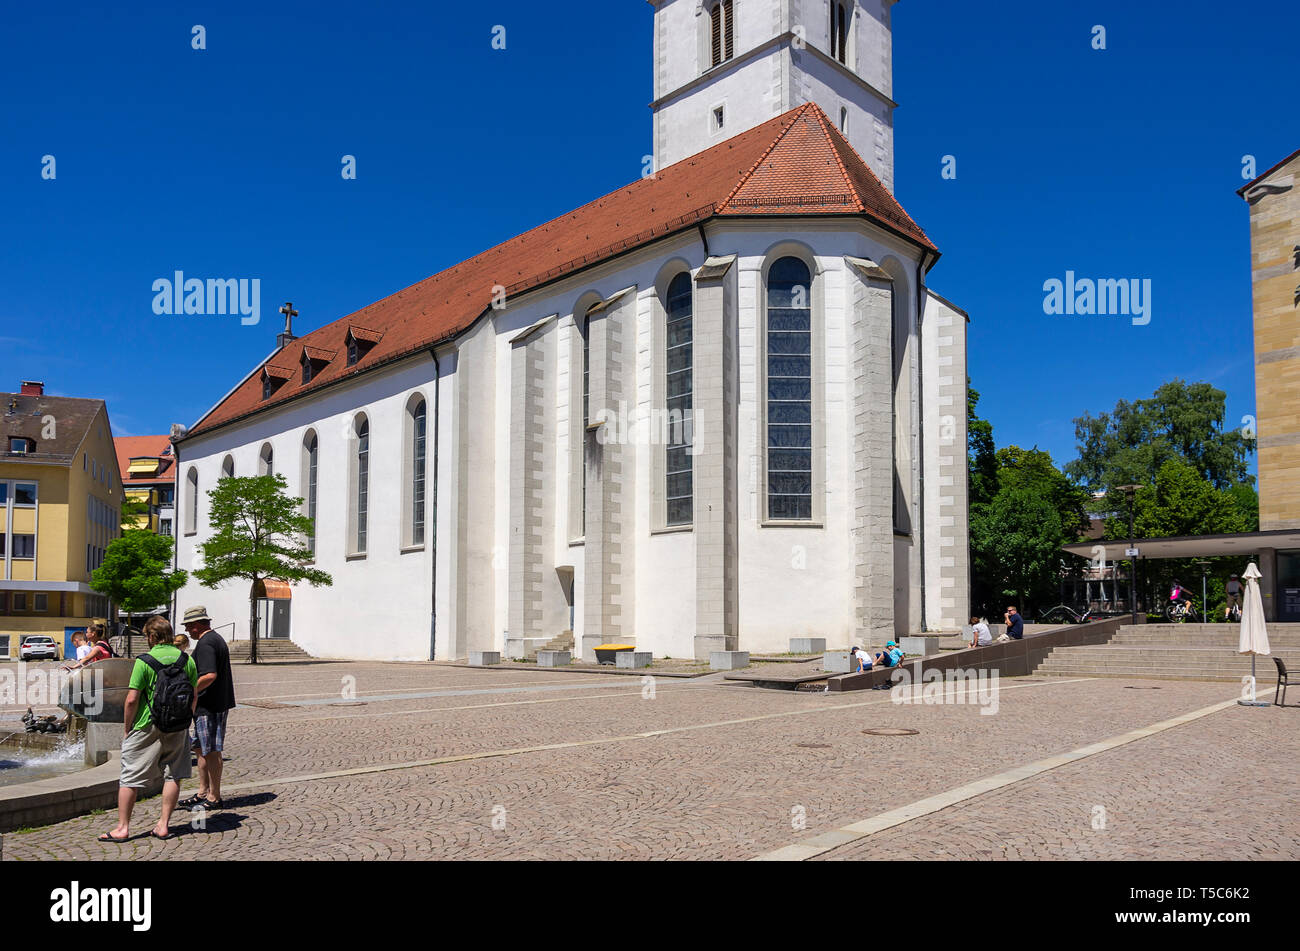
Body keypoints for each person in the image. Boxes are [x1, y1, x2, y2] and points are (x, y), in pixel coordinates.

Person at [97, 616, 197, 843]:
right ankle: (163, 825)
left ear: (152, 636)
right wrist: (185, 720)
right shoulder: (186, 659)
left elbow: (132, 700)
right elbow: (194, 694)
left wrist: (127, 729)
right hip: (178, 725)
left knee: (129, 777)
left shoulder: (144, 661)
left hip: (146, 724)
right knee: (174, 775)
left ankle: (123, 828)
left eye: (146, 636)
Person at [180, 606, 236, 810]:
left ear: (197, 625)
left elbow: (209, 675)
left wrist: (190, 691)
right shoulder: (214, 639)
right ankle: (203, 791)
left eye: (188, 626)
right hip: (212, 704)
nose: (187, 630)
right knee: (200, 748)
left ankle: (215, 796)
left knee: (211, 750)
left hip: (210, 705)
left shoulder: (206, 643)